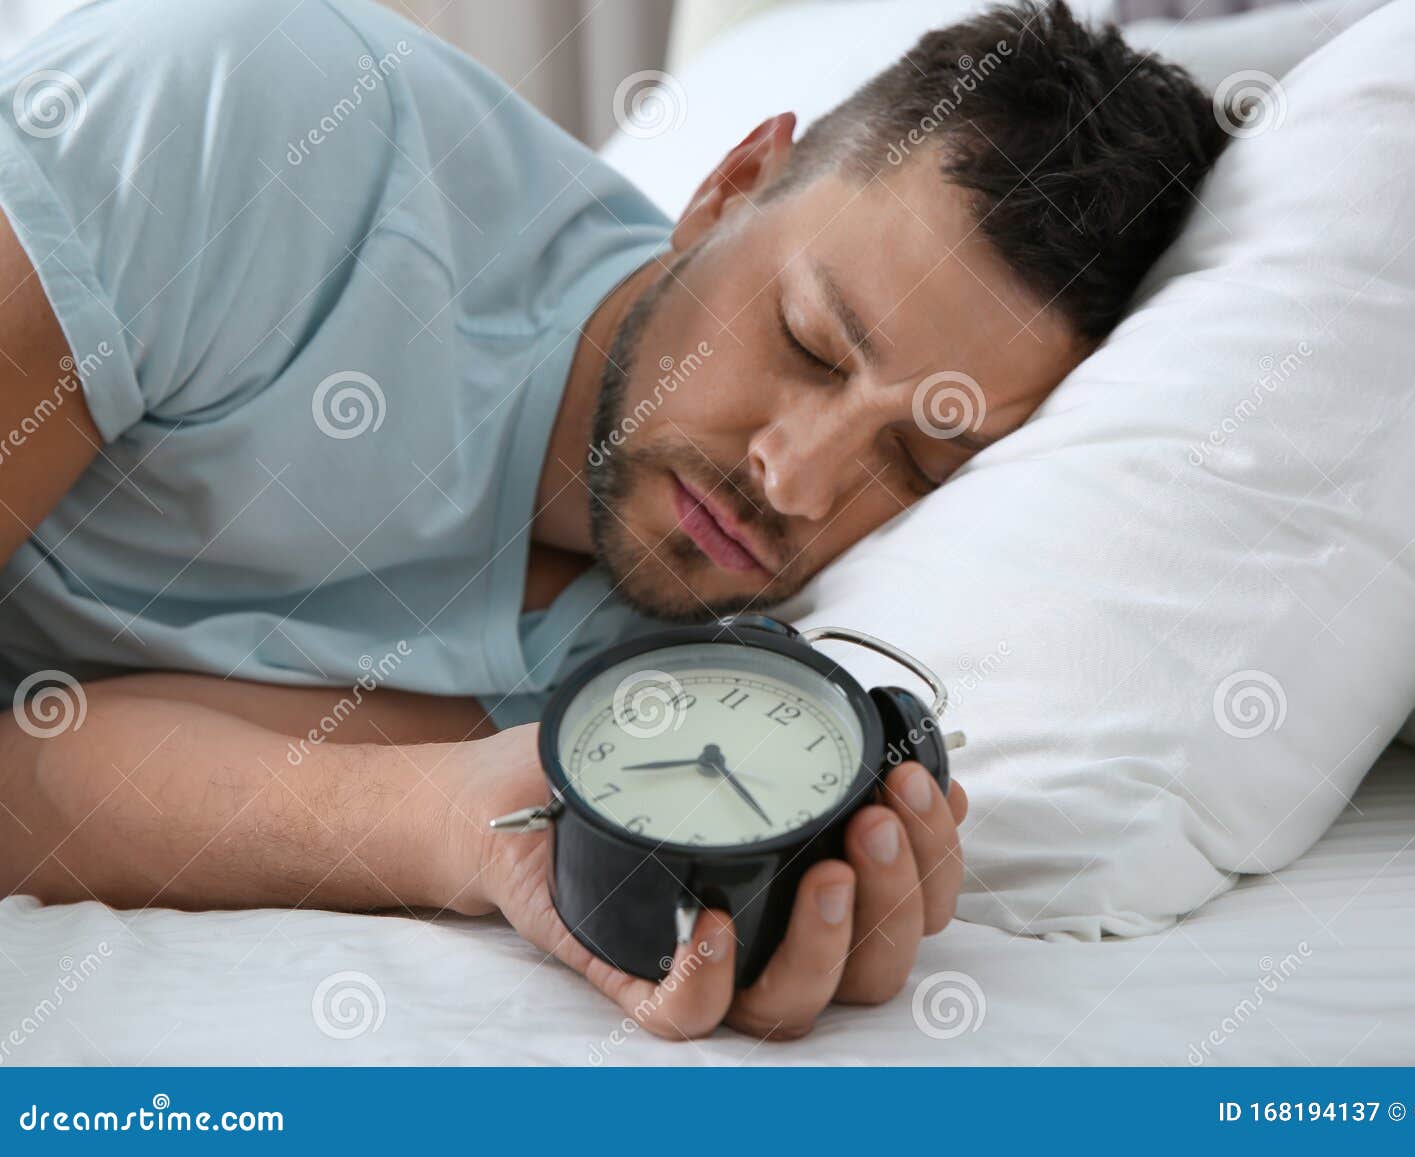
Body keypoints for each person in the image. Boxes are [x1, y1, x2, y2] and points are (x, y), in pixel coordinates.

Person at [0, 0, 1223, 1040]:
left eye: (909, 457)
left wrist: (467, 822)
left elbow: (34, 772)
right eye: (805, 342)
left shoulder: (653, 666)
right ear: (732, 184)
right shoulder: (249, 123)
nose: (794, 485)